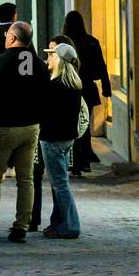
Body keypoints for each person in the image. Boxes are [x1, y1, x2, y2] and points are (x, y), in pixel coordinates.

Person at [0, 20, 49, 244]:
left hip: (2, 127)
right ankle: (21, 227)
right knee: (26, 179)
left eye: (7, 34)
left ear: (12, 38)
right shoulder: (38, 64)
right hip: (30, 128)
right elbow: (45, 94)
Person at [40, 42, 83, 239]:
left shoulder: (54, 86)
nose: (48, 59)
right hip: (66, 140)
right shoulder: (73, 85)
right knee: (59, 183)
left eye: (52, 56)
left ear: (60, 60)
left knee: (60, 184)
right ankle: (58, 222)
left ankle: (71, 225)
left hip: (53, 140)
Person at [62, 10, 111, 175]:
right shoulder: (91, 42)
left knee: (69, 127)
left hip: (67, 89)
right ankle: (84, 162)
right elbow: (101, 67)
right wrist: (106, 88)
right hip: (87, 89)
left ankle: (73, 163)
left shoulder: (63, 45)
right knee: (84, 126)